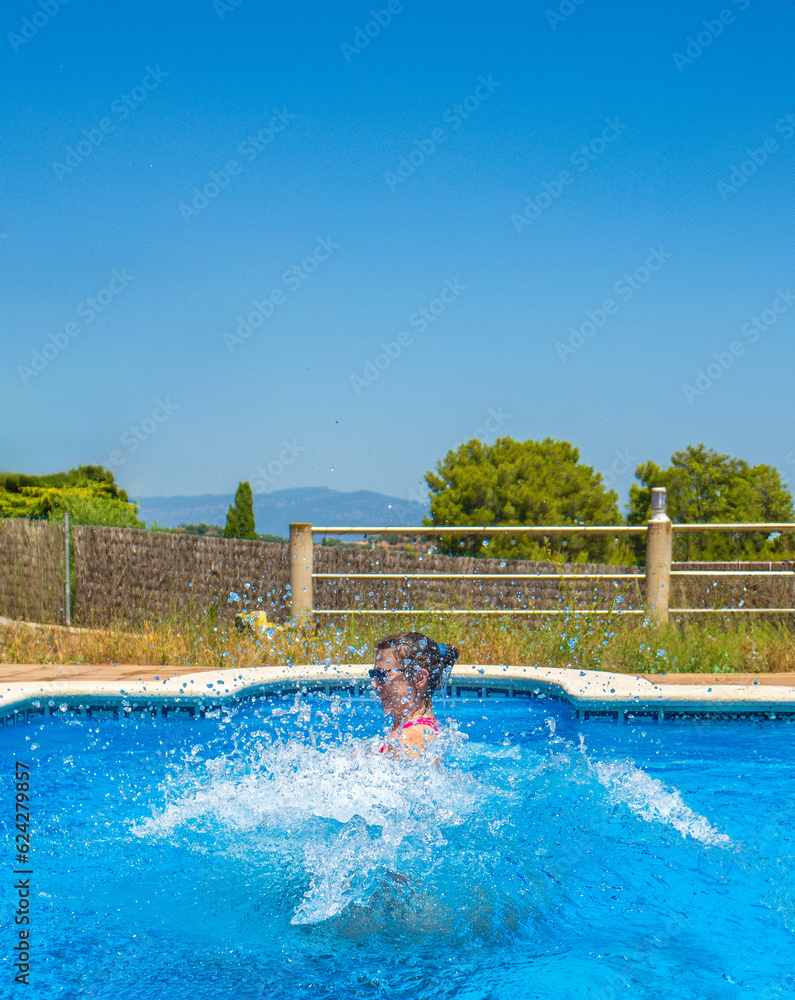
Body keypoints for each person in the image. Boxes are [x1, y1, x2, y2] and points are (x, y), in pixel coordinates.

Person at [369, 631, 459, 758]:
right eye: (373, 675)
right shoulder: (415, 731)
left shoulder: (409, 738)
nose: (375, 685)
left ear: (419, 678)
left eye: (382, 675)